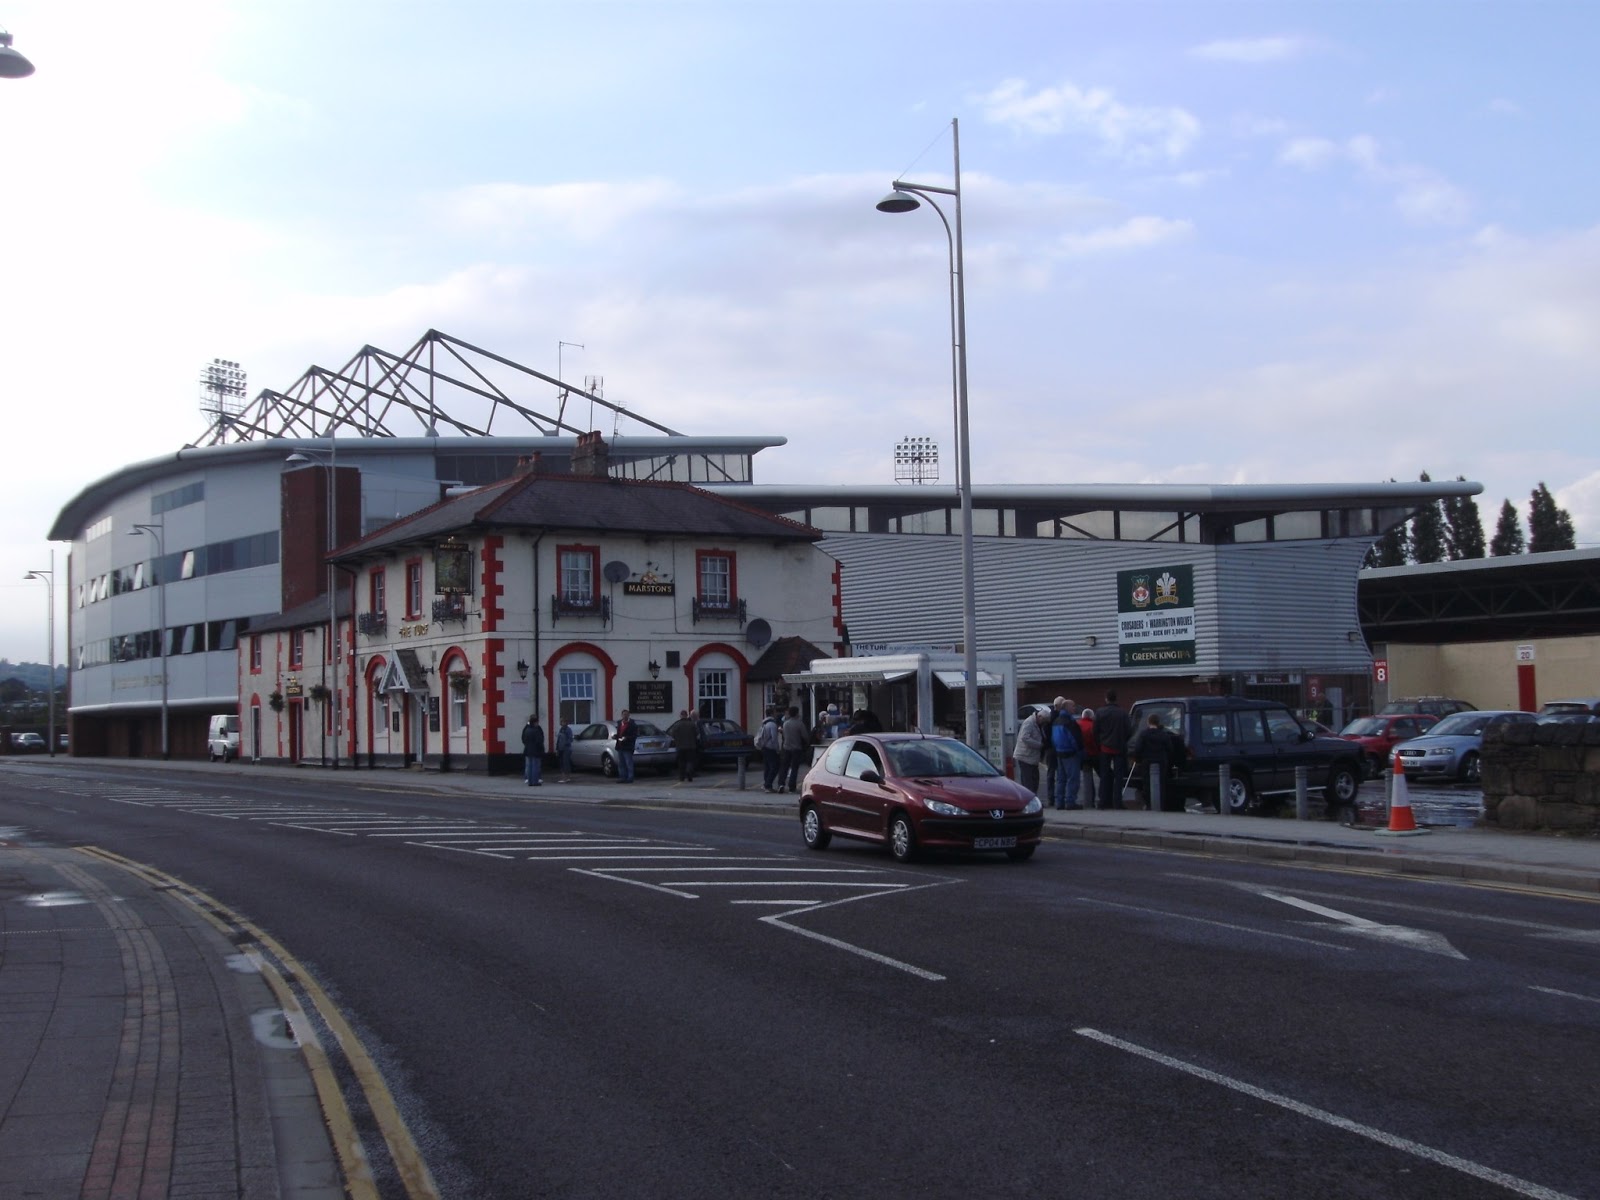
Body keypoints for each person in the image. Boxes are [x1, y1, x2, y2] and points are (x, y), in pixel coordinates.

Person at [1129, 713, 1185, 811]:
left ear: (1148, 722)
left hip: (1147, 762)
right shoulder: (1163, 734)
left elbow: (1138, 749)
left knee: (1147, 784)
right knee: (1161, 783)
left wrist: (1137, 758)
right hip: (1161, 761)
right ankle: (1160, 804)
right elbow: (1170, 748)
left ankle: (1150, 804)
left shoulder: (1143, 734)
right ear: (1158, 723)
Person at [1095, 689, 1133, 810]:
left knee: (1104, 775)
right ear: (1116, 698)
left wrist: (1100, 742)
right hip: (1119, 748)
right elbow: (1129, 731)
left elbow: (1095, 731)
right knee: (1119, 777)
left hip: (1105, 747)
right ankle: (1117, 801)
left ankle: (1103, 801)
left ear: (1106, 698)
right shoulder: (1122, 713)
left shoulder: (1100, 712)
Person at [1049, 698, 1083, 809]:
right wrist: (1079, 750)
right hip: (1070, 753)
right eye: (1073, 706)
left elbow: (1053, 738)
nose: (1074, 708)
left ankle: (1060, 802)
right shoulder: (1070, 722)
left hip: (1059, 752)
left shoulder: (1056, 721)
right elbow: (1075, 739)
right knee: (1073, 779)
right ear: (1067, 708)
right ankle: (1070, 801)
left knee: (1061, 779)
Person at [1012, 705, 1046, 799]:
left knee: (1034, 779)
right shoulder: (1029, 723)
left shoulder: (1036, 723)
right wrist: (1039, 745)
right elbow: (1025, 738)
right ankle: (1029, 800)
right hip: (1025, 756)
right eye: (1043, 721)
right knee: (1029, 781)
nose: (1043, 723)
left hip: (1031, 756)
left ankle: (1032, 799)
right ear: (1040, 717)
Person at [779, 705, 810, 793]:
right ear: (797, 713)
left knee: (784, 767)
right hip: (796, 748)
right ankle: (791, 787)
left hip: (786, 747)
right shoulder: (799, 724)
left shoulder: (785, 724)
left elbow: (784, 735)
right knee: (794, 768)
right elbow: (805, 736)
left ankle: (781, 784)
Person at [667, 709, 699, 782]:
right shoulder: (692, 724)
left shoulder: (677, 725)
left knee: (681, 762)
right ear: (687, 715)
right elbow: (697, 733)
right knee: (690, 761)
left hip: (680, 746)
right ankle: (689, 773)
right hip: (691, 746)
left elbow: (672, 734)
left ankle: (681, 777)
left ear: (681, 716)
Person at [754, 707, 782, 792]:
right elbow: (774, 739)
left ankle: (766, 784)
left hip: (764, 747)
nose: (776, 714)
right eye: (775, 712)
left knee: (767, 767)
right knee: (775, 767)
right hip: (771, 748)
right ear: (772, 713)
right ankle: (768, 785)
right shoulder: (772, 725)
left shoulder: (764, 723)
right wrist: (777, 749)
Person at [1078, 707, 1100, 808]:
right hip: (1094, 754)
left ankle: (1088, 801)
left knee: (1087, 778)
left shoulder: (1077, 724)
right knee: (1103, 776)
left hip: (1082, 755)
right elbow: (1095, 740)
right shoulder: (1093, 726)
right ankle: (1095, 799)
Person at [520, 714, 545, 787]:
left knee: (530, 767)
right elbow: (539, 741)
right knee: (535, 767)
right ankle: (535, 781)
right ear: (535, 722)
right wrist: (541, 749)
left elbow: (523, 739)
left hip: (528, 750)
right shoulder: (536, 730)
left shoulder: (527, 730)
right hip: (536, 750)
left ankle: (530, 781)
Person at [613, 709, 637, 783]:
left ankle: (630, 777)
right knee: (621, 763)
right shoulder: (620, 723)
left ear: (629, 715)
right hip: (620, 746)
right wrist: (616, 736)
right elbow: (619, 733)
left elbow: (634, 735)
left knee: (628, 762)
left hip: (628, 746)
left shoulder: (632, 724)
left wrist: (627, 738)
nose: (625, 716)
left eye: (626, 714)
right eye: (624, 714)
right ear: (622, 715)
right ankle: (622, 777)